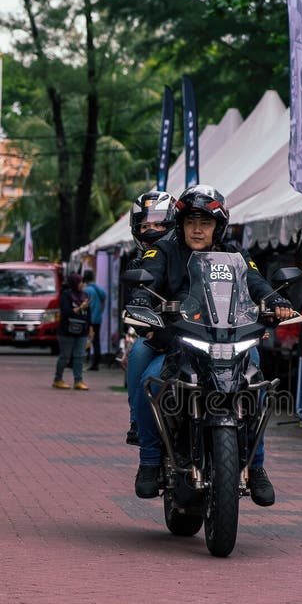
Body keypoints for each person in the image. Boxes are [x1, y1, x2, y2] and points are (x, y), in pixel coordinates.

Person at [130, 184, 296, 503]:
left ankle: (256, 467)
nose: (197, 229)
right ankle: (149, 462)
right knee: (150, 383)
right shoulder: (163, 250)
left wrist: (276, 301)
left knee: (256, 379)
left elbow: (255, 281)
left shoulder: (235, 254)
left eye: (205, 223)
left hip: (229, 339)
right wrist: (141, 298)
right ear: (180, 225)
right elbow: (147, 275)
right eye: (190, 222)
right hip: (178, 340)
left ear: (217, 227)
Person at [123, 190, 177, 447]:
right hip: (158, 336)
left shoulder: (190, 256)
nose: (151, 230)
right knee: (138, 352)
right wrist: (147, 325)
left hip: (204, 333)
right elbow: (135, 301)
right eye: (145, 226)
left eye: (158, 224)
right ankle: (137, 420)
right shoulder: (137, 265)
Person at [52, 273, 90, 390]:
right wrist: (80, 307)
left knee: (80, 356)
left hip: (82, 330)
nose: (82, 284)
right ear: (74, 283)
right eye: (80, 282)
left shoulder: (84, 295)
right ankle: (58, 379)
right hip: (67, 331)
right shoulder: (66, 295)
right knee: (65, 356)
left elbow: (88, 312)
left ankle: (78, 380)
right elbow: (66, 312)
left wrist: (90, 328)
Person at [82, 269, 106, 370]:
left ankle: (87, 360)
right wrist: (100, 311)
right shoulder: (98, 289)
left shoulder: (86, 290)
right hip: (97, 318)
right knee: (96, 341)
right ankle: (96, 363)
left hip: (88, 319)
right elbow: (103, 299)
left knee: (85, 339)